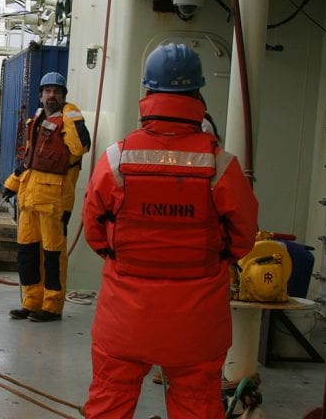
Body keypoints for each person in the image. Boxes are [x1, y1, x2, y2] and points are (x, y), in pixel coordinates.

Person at [81, 43, 258, 417]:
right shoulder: (221, 165)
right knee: (196, 405)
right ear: (197, 95)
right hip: (197, 321)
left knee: (109, 402)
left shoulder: (116, 159)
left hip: (124, 316)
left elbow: (94, 229)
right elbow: (243, 237)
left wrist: (124, 258)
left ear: (148, 94)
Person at [2, 71, 91, 322]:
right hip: (29, 198)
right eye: (48, 91)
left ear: (63, 96)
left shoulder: (70, 118)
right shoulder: (37, 120)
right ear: (41, 95)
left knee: (52, 256)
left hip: (54, 200)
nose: (52, 95)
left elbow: (80, 148)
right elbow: (29, 161)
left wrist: (71, 116)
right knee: (27, 254)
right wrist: (12, 183)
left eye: (57, 91)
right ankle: (32, 301)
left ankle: (52, 306)